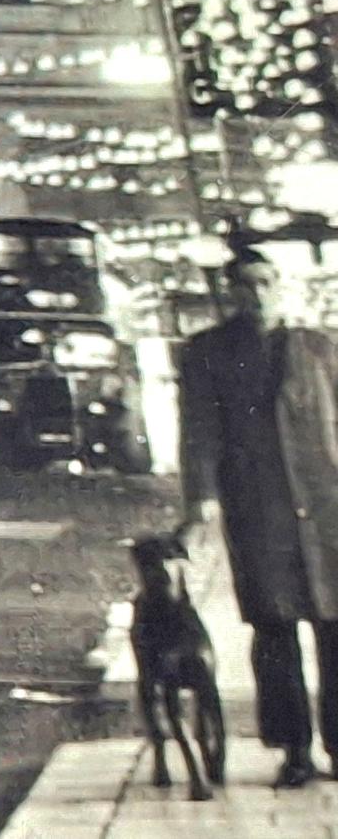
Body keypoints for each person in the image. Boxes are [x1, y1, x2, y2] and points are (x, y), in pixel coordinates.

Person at [180, 238, 338, 788]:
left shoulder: (321, 348)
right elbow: (199, 431)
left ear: (282, 288)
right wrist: (201, 495)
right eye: (246, 285)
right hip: (259, 507)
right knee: (274, 632)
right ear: (231, 293)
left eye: (267, 283)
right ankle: (294, 749)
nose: (258, 295)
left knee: (336, 627)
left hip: (327, 507)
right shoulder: (207, 353)